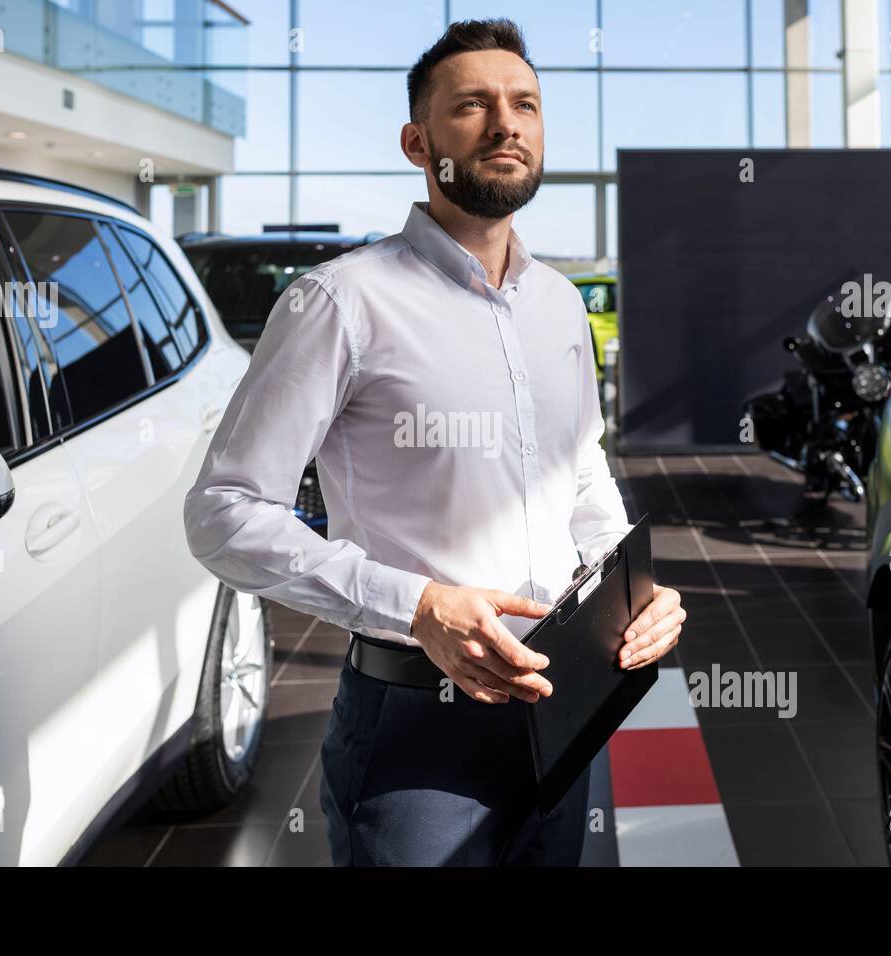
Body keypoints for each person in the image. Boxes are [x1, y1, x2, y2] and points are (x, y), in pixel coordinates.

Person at [183, 17, 686, 866]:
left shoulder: (561, 304)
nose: (506, 123)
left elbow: (581, 464)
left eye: (525, 103)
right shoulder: (339, 303)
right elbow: (223, 514)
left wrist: (628, 580)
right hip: (420, 728)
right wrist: (417, 608)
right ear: (419, 142)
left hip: (568, 701)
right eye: (473, 106)